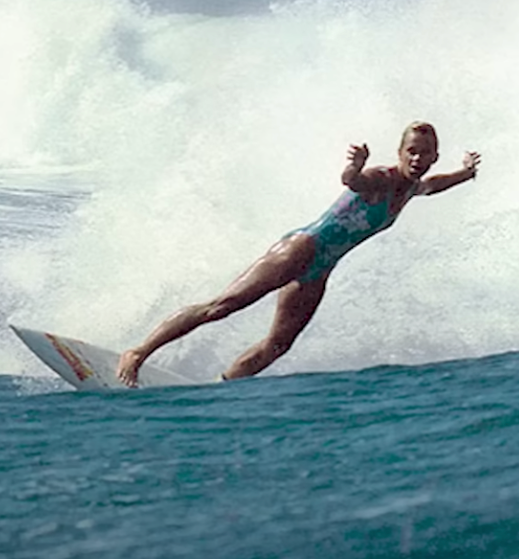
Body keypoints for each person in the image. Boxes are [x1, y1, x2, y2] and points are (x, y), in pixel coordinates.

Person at [115, 121, 480, 386]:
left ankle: (221, 386)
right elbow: (352, 182)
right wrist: (353, 166)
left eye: (425, 153)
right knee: (222, 306)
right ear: (400, 153)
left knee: (278, 344)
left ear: (434, 156)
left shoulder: (412, 189)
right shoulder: (381, 178)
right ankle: (138, 352)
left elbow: (436, 185)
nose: (417, 158)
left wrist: (465, 173)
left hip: (320, 269)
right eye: (411, 151)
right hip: (301, 248)